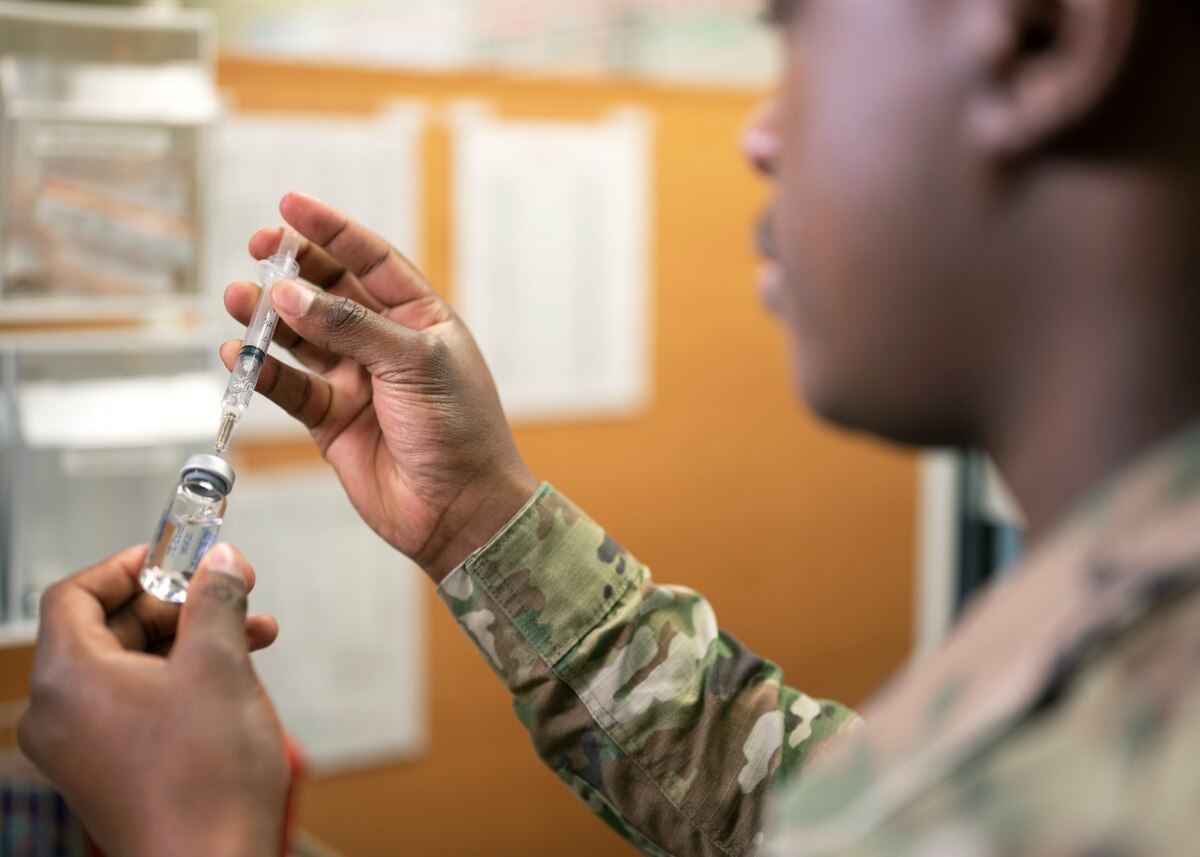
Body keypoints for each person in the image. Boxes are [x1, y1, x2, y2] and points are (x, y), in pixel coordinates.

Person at [17, 0, 1200, 854]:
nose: (760, 133)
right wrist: (481, 520)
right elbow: (796, 801)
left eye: (795, 27)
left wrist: (198, 839)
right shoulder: (1101, 648)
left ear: (1045, 34)